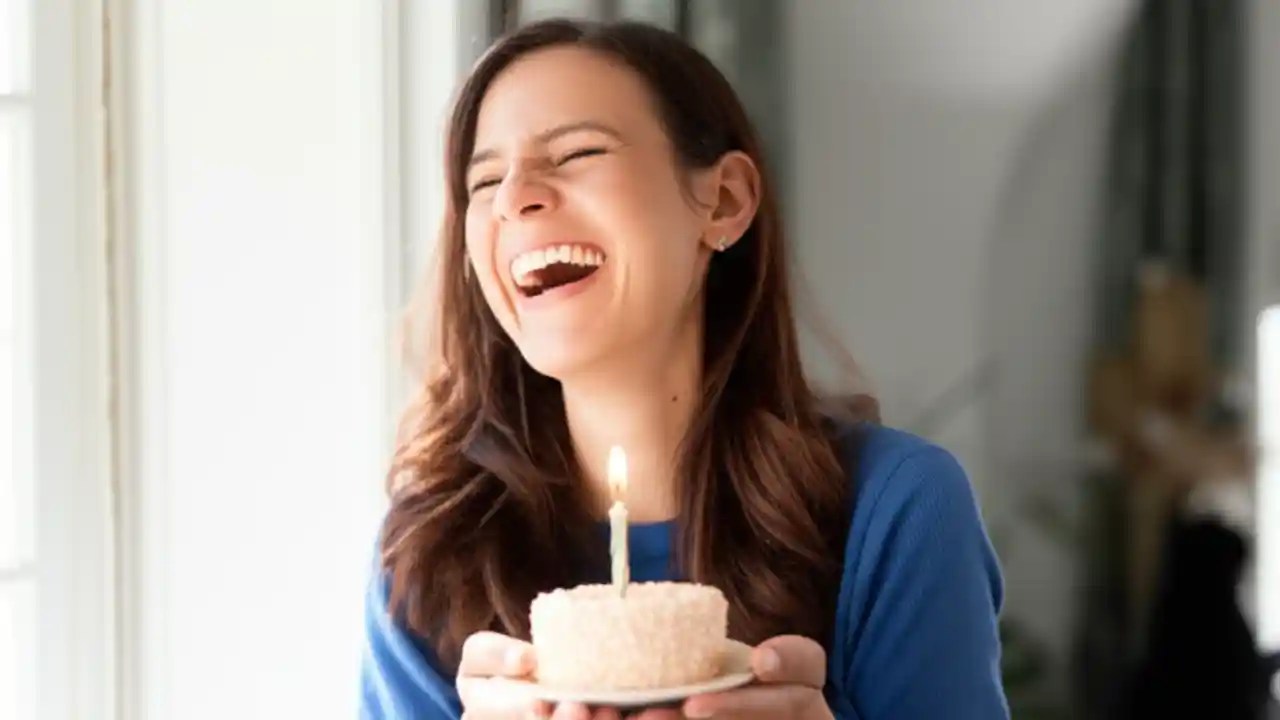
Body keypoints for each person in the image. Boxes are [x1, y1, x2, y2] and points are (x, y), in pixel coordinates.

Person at [361, 18, 1008, 720]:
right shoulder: (432, 550)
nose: (515, 196)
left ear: (723, 201)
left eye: (578, 152)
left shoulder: (893, 510)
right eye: (483, 181)